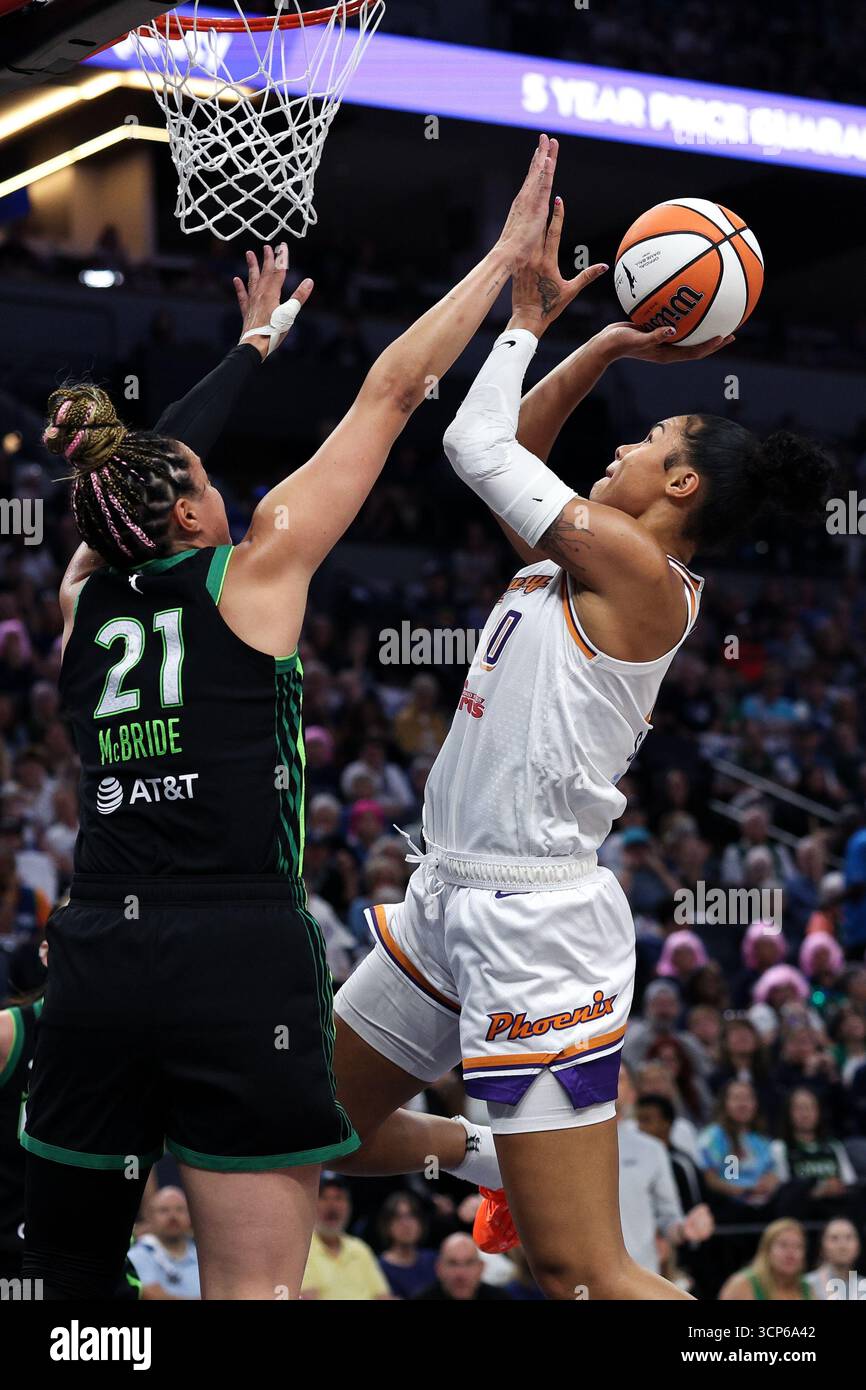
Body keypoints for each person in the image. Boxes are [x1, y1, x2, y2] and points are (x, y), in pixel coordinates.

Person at [21, 135, 559, 1304]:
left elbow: (125, 486)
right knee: (252, 1295)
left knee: (63, 1284)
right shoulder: (255, 569)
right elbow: (391, 390)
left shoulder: (77, 599)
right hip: (235, 950)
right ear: (192, 508)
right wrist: (499, 261)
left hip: (100, 949)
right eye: (207, 478)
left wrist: (249, 349)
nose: (225, 482)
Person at [327, 166, 833, 1300]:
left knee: (581, 1271)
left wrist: (520, 319)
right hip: (445, 896)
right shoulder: (584, 548)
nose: (621, 444)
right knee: (303, 1125)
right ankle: (488, 1149)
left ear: (683, 480)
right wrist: (603, 347)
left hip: (535, 920)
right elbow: (517, 440)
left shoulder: (640, 572)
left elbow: (474, 444)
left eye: (648, 436)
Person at [300, 1176, 391, 1301]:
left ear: (349, 1206)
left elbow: (383, 1296)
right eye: (323, 1198)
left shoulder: (360, 1249)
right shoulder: (302, 1250)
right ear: (311, 1204)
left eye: (339, 1198)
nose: (332, 1205)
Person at [128, 1186, 200, 1300]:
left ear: (191, 1216)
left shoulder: (202, 1255)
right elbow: (151, 1295)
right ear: (150, 1217)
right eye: (164, 1210)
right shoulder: (137, 1255)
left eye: (180, 1209)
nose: (173, 1216)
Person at [718, 1219, 814, 1300]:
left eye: (798, 1246)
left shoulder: (807, 1288)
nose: (790, 1253)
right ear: (766, 1250)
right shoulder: (742, 1285)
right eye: (783, 1245)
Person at [412, 1232, 511, 1301]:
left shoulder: (500, 1297)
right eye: (452, 1263)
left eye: (469, 1263)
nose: (461, 1273)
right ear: (439, 1268)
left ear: (481, 1268)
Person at [376, 1190, 438, 1300]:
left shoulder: (434, 1261)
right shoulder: (377, 1268)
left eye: (412, 1216)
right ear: (387, 1225)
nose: (406, 1224)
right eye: (398, 1217)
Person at [806, 1217, 863, 1300]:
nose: (842, 1245)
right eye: (834, 1238)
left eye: (849, 1237)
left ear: (858, 1246)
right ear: (822, 1247)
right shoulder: (806, 1285)